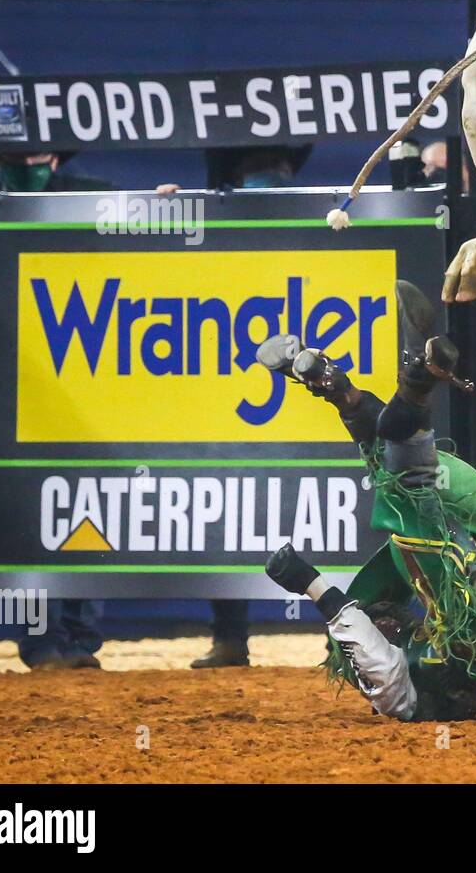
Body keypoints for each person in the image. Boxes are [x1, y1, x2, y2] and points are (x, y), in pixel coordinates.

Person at [260, 282, 476, 721]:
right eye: (384, 620)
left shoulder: (408, 680)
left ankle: (350, 389)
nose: (383, 625)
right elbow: (363, 643)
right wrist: (309, 582)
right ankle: (409, 383)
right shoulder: (406, 694)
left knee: (410, 495)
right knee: (418, 501)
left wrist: (310, 583)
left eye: (379, 619)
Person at [187, 146, 312, 669]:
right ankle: (230, 636)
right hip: (231, 393)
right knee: (225, 505)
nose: (271, 182)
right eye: (258, 173)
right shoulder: (211, 226)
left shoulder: (312, 224)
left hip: (301, 395)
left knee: (328, 507)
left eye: (282, 170)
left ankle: (354, 637)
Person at [0, 151, 109, 669]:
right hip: (16, 391)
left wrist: (162, 213)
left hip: (92, 384)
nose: (24, 161)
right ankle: (41, 641)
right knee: (29, 511)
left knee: (93, 504)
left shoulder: (90, 196)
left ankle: (80, 637)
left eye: (36, 151)